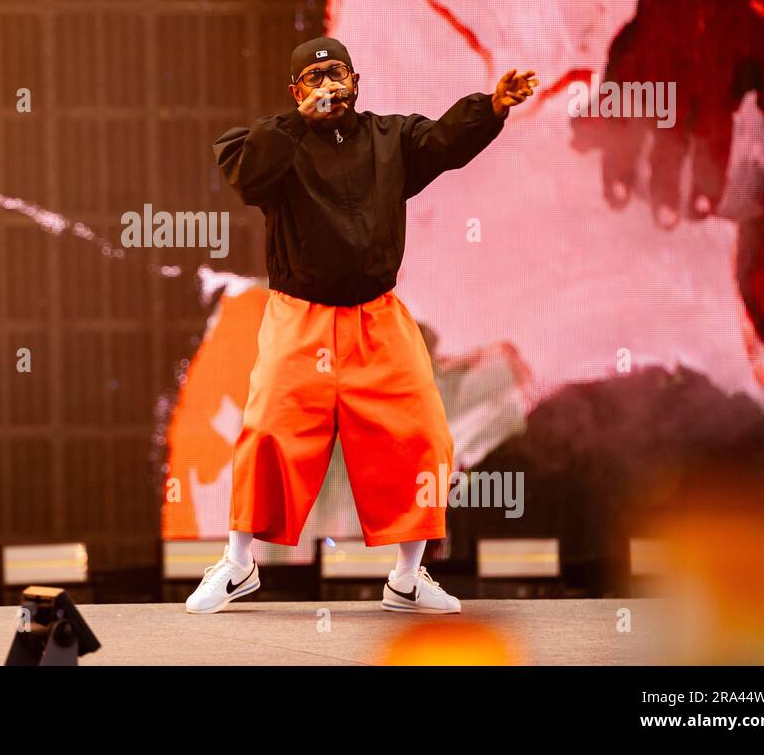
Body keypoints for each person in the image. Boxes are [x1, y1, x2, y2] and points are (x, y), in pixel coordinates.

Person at [185, 36, 537, 614]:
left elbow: (444, 141)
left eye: (338, 75)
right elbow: (246, 176)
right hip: (299, 320)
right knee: (268, 431)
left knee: (422, 434)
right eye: (316, 78)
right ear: (297, 91)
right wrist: (297, 124)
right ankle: (239, 564)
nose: (329, 86)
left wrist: (491, 106)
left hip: (378, 319)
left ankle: (406, 577)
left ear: (355, 81)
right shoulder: (277, 143)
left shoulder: (389, 138)